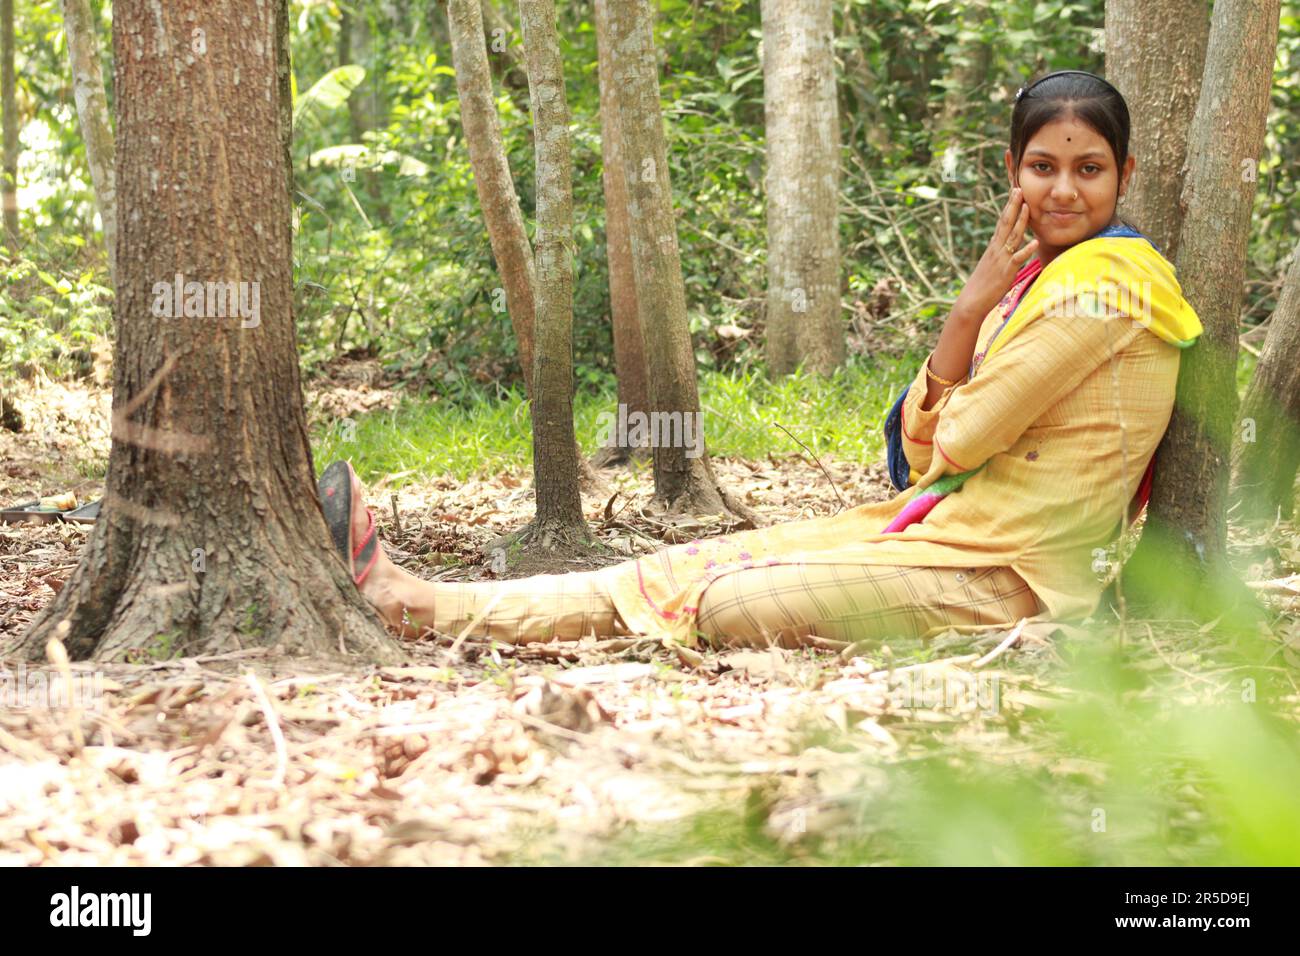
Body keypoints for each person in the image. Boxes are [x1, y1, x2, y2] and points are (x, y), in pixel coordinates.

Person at [318, 70, 1202, 651]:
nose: (1062, 190)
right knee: (680, 566)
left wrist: (967, 392)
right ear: (1012, 169)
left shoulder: (1109, 286)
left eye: (1088, 170)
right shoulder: (1033, 285)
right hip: (948, 538)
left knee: (727, 602)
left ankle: (417, 607)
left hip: (1012, 578)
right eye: (1043, 166)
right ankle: (416, 603)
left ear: (1123, 175)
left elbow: (962, 441)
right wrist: (971, 305)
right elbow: (936, 445)